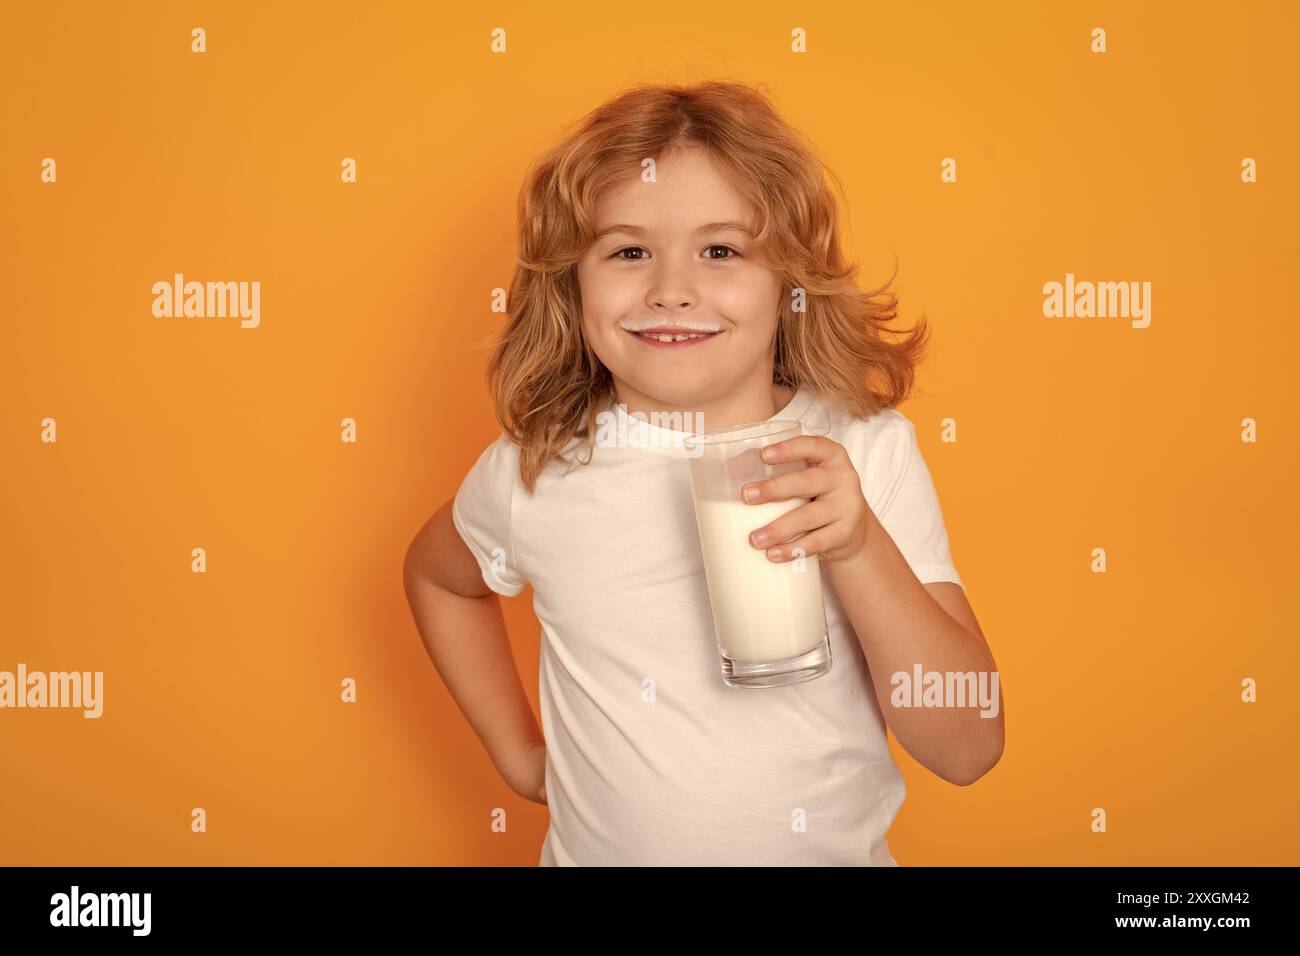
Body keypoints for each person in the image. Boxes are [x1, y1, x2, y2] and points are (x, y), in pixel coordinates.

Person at [404, 80, 1004, 866]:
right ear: (572, 285)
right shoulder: (539, 470)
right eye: (628, 252)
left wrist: (859, 549)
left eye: (720, 250)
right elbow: (440, 577)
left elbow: (968, 748)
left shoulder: (863, 452)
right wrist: (519, 754)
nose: (672, 291)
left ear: (787, 282)